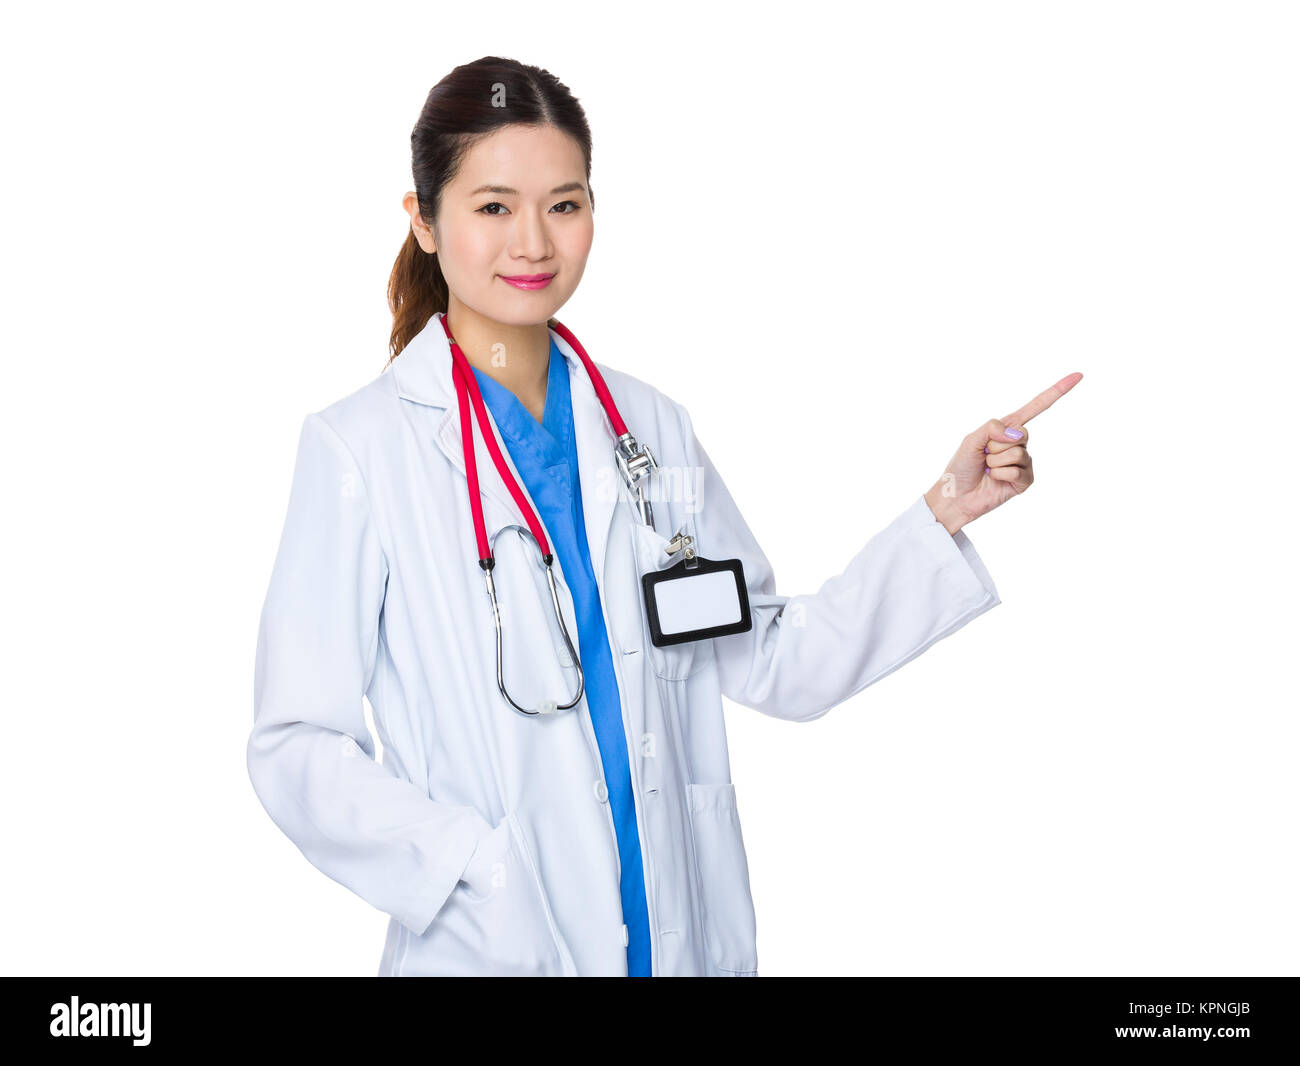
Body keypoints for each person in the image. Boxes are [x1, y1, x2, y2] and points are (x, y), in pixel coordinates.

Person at [246, 55, 1082, 978]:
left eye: (563, 204)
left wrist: (943, 512)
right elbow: (297, 747)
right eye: (493, 207)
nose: (532, 241)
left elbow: (771, 657)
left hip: (676, 935)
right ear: (424, 220)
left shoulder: (647, 428)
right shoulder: (362, 449)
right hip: (497, 946)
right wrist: (467, 867)